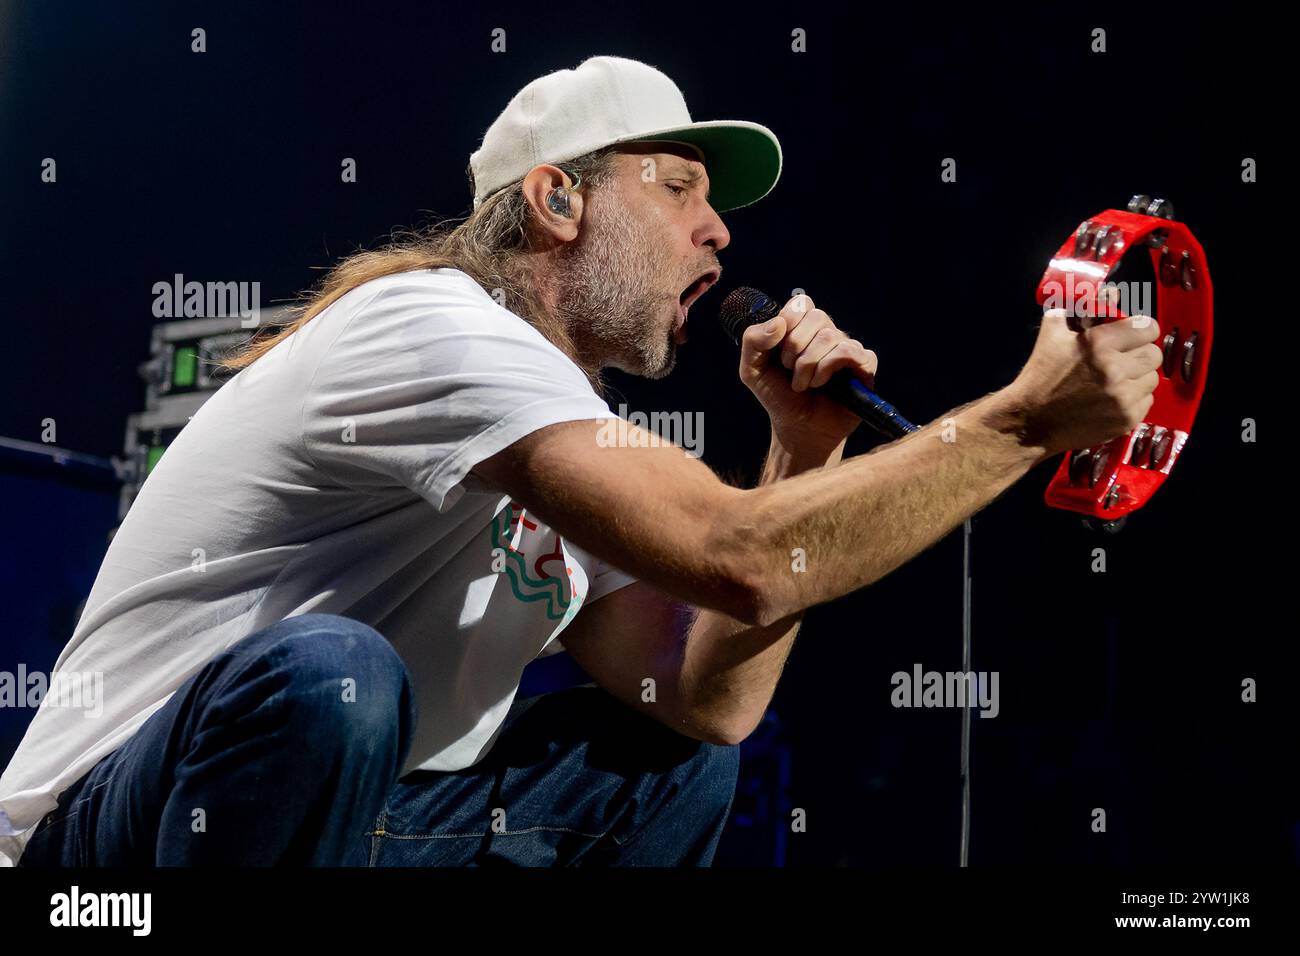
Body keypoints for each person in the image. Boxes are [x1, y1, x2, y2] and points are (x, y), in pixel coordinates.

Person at [0, 55, 1161, 867]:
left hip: (337, 833)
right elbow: (738, 558)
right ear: (555, 200)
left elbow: (709, 698)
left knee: (671, 764)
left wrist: (799, 452)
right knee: (334, 677)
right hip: (102, 857)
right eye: (677, 188)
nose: (717, 231)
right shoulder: (431, 325)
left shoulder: (565, 436)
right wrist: (1018, 420)